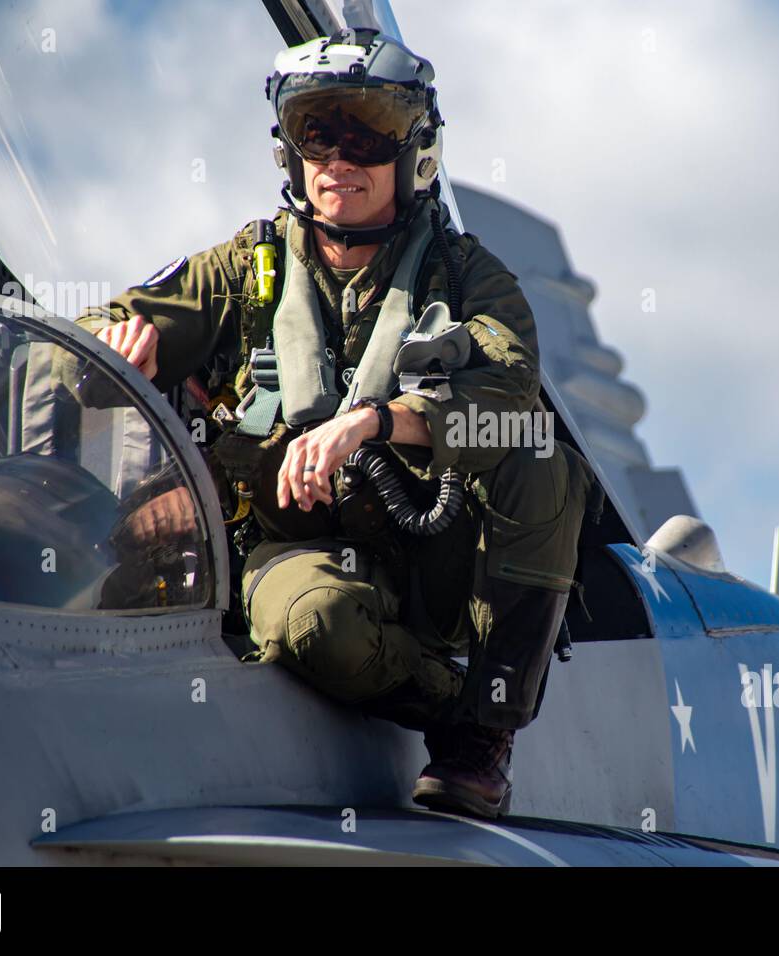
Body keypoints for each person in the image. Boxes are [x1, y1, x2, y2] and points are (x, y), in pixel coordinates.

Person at [80, 28, 593, 818]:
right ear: (290, 151)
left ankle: (483, 735)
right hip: (296, 547)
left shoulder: (466, 279)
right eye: (317, 131)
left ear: (415, 150)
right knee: (318, 627)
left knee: (538, 457)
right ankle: (448, 698)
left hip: (437, 559)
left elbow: (510, 393)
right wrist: (115, 344)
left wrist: (377, 423)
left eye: (369, 131)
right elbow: (95, 329)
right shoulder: (243, 270)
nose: (340, 158)